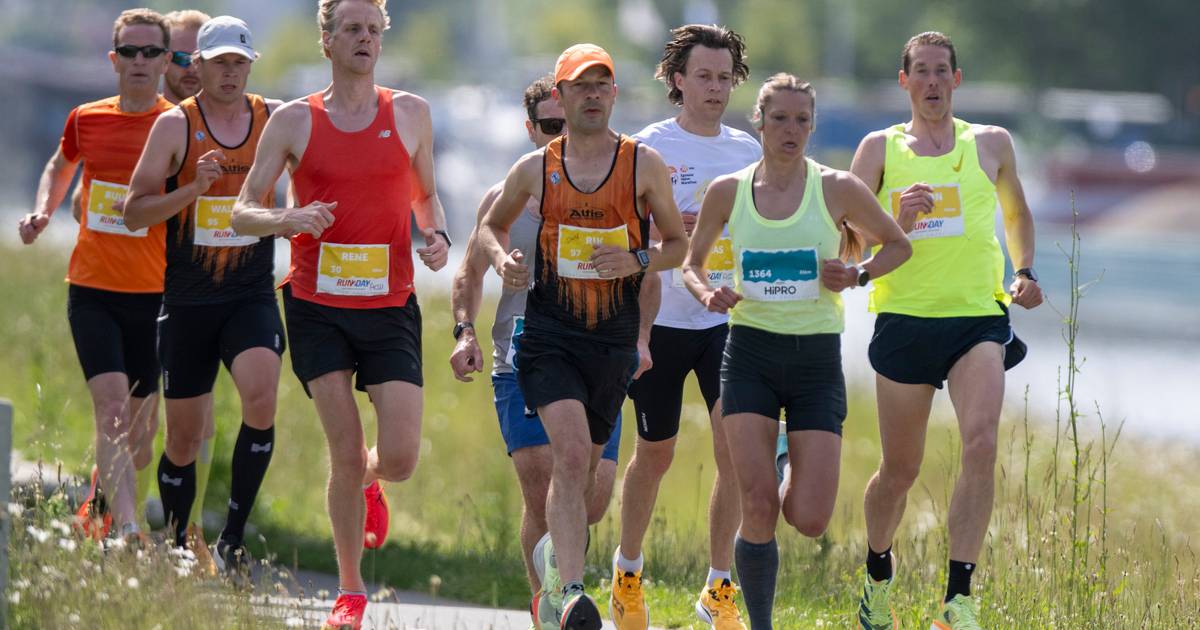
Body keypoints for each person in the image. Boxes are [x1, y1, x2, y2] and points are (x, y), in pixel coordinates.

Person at [230, 0, 450, 627]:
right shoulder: (293, 120)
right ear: (325, 40)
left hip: (389, 305)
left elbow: (426, 198)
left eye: (373, 30)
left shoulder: (411, 113)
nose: (364, 38)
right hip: (315, 305)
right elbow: (244, 211)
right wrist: (288, 219)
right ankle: (350, 593)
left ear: (383, 40)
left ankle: (372, 481)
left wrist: (435, 238)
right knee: (344, 449)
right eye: (350, 29)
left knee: (399, 456)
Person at [683, 74, 911, 629]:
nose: (791, 130)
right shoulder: (728, 192)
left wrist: (855, 274)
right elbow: (691, 264)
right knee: (756, 504)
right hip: (750, 354)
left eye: (802, 120)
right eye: (780, 119)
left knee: (808, 518)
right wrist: (708, 290)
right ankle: (759, 621)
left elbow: (898, 245)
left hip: (814, 361)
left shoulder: (836, 189)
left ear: (813, 126)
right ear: (758, 123)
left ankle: (784, 455)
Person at [476, 44, 687, 630]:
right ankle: (571, 593)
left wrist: (636, 258)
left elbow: (679, 245)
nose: (592, 94)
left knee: (591, 485)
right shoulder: (536, 168)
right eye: (580, 86)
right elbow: (489, 226)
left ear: (614, 95)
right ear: (562, 96)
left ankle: (557, 572)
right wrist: (502, 261)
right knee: (567, 457)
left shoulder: (641, 164)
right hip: (548, 337)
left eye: (602, 84)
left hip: (612, 342)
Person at [849, 32, 1043, 630]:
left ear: (957, 80)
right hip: (906, 320)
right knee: (899, 471)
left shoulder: (991, 143)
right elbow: (847, 244)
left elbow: (1014, 212)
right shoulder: (877, 150)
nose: (932, 83)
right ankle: (878, 573)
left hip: (977, 319)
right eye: (921, 73)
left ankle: (958, 599)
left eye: (942, 72)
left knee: (981, 444)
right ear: (904, 82)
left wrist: (1025, 271)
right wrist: (895, 220)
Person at [448, 74, 625, 630]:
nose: (564, 132)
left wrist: (640, 340)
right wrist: (465, 332)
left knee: (589, 499)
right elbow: (468, 272)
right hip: (520, 354)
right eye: (551, 126)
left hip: (597, 353)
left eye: (570, 119)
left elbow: (645, 266)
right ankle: (552, 608)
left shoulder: (617, 185)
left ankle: (559, 576)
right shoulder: (507, 196)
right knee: (545, 478)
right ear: (532, 130)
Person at [124, 15, 284, 577]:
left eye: (240, 62)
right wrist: (192, 188)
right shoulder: (175, 127)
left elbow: (317, 181)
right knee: (185, 439)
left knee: (262, 395)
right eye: (220, 63)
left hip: (250, 294)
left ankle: (234, 540)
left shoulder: (272, 120)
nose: (231, 73)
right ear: (199, 66)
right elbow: (133, 211)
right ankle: (173, 541)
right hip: (189, 301)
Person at [610, 25, 759, 630]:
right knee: (656, 453)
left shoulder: (747, 151)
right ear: (677, 80)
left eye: (725, 78)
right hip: (662, 318)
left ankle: (719, 586)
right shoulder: (647, 147)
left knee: (736, 452)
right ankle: (627, 571)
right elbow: (619, 233)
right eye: (703, 76)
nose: (715, 88)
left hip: (725, 317)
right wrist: (679, 229)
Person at [17, 8, 174, 544]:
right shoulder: (87, 117)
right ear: (113, 59)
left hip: (156, 294)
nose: (139, 61)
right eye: (129, 51)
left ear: (165, 61)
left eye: (151, 51)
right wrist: (44, 211)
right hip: (93, 290)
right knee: (109, 408)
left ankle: (103, 496)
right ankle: (128, 528)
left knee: (142, 433)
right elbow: (61, 165)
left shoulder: (176, 124)